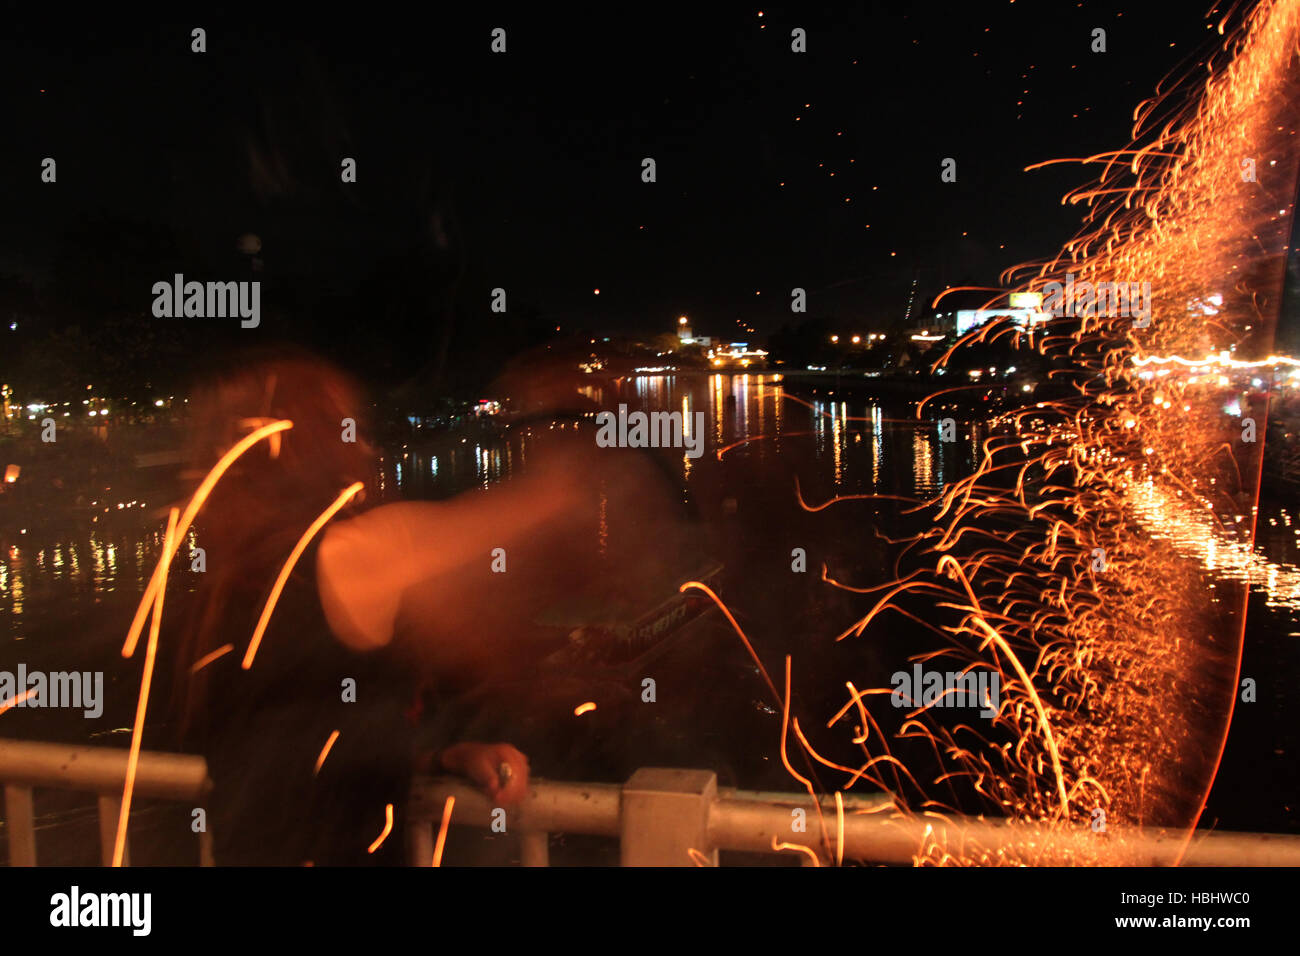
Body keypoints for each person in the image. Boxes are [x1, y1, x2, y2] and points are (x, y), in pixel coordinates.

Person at [172, 350, 532, 865]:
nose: (367, 448)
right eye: (351, 430)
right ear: (314, 449)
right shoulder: (349, 553)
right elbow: (537, 527)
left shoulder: (223, 589)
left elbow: (295, 756)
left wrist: (441, 758)